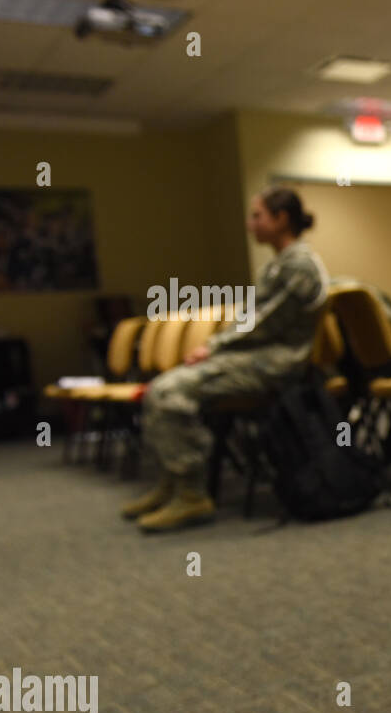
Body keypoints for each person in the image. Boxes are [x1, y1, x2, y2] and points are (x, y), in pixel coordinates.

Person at [120, 187, 330, 532]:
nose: (251, 224)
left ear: (281, 219)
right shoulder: (280, 264)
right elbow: (252, 318)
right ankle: (172, 483)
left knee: (172, 393)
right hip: (255, 356)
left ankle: (192, 495)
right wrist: (217, 347)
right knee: (158, 388)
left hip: (277, 363)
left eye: (257, 216)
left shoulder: (300, 266)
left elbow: (265, 322)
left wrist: (214, 347)